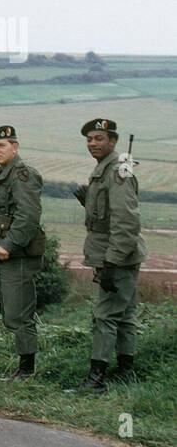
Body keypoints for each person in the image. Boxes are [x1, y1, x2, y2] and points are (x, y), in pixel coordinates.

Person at [75, 118, 147, 392]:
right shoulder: (104, 171)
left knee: (104, 315)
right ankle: (125, 373)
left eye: (99, 139)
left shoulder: (117, 171)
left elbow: (126, 221)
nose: (93, 143)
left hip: (117, 257)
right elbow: (109, 214)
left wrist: (111, 262)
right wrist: (88, 203)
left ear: (113, 141)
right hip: (118, 254)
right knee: (125, 315)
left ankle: (96, 379)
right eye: (90, 139)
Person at [0, 125, 45, 379]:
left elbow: (28, 217)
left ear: (15, 147)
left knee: (19, 313)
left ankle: (27, 370)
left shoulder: (22, 175)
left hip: (19, 254)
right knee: (14, 311)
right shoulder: (4, 174)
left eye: (2, 145)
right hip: (10, 253)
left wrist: (7, 245)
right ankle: (24, 367)